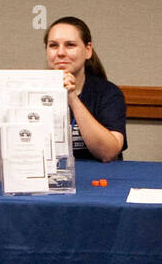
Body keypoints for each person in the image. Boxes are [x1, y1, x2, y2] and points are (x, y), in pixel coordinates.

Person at [44, 16, 126, 161]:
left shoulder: (108, 94)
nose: (60, 52)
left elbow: (108, 153)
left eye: (70, 45)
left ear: (88, 50)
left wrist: (72, 98)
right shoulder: (31, 92)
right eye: (53, 45)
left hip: (99, 178)